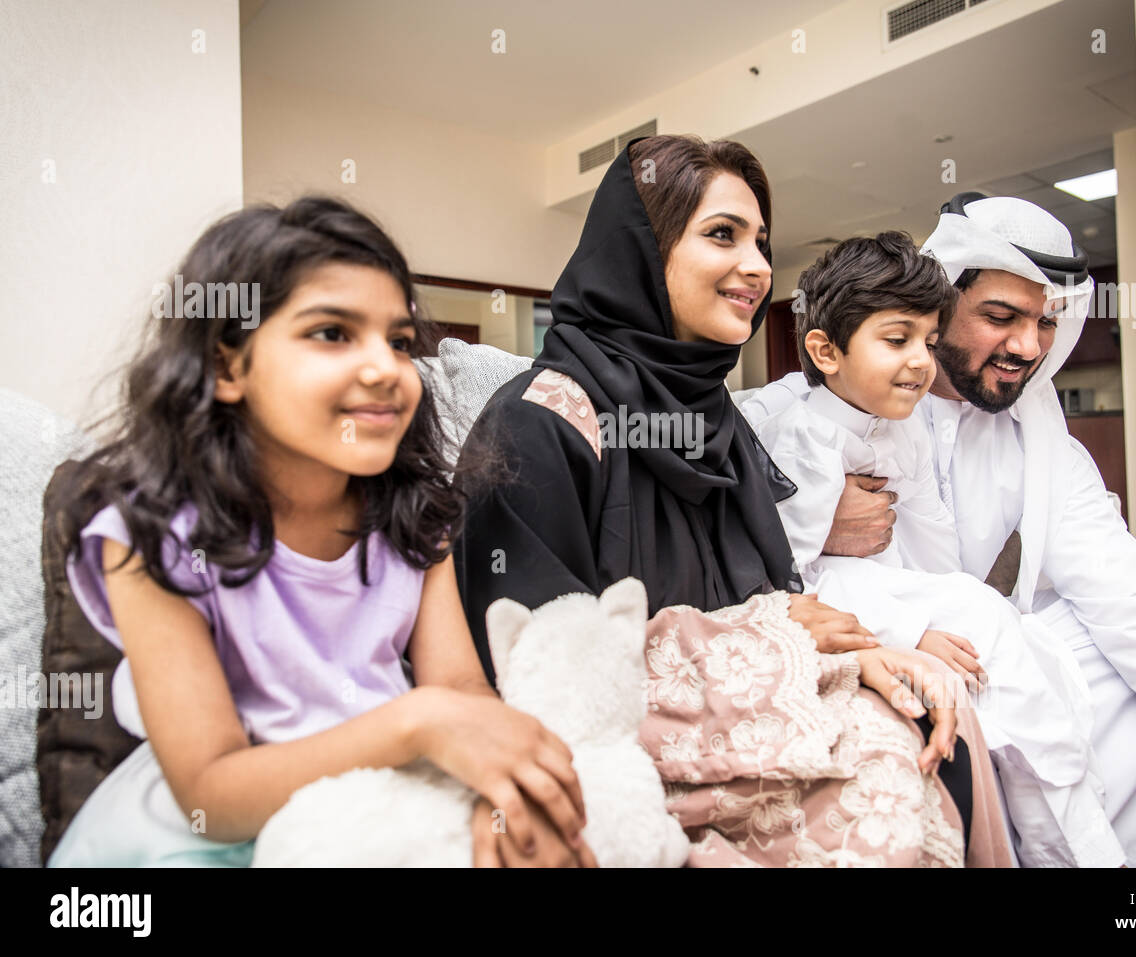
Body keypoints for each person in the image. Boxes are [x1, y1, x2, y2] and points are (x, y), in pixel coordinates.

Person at [456, 135, 1012, 865]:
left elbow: (779, 594)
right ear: (643, 253)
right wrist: (783, 641)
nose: (757, 266)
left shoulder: (716, 422)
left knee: (938, 719)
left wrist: (861, 654)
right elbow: (542, 680)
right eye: (723, 235)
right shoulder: (539, 423)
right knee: (894, 785)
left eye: (762, 241)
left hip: (752, 708)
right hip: (621, 754)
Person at [745, 192, 1136, 867]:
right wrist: (817, 515)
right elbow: (744, 487)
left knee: (1111, 651)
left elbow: (1131, 602)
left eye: (1045, 322)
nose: (1028, 346)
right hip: (877, 625)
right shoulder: (830, 401)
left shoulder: (1042, 439)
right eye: (1001, 317)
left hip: (981, 634)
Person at [48, 197, 594, 868]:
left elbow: (457, 686)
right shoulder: (148, 538)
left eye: (398, 340)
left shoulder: (417, 519)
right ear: (227, 366)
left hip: (376, 803)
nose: (386, 368)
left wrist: (490, 778)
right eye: (333, 333)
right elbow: (210, 789)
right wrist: (416, 724)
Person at [745, 231, 1124, 867]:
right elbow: (786, 582)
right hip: (840, 599)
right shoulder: (801, 438)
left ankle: (1065, 825)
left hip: (898, 587)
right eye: (897, 341)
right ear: (824, 351)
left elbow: (932, 544)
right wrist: (909, 629)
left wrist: (946, 606)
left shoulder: (903, 428)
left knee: (997, 628)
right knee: (987, 630)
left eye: (927, 340)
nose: (922, 361)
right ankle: (1071, 844)